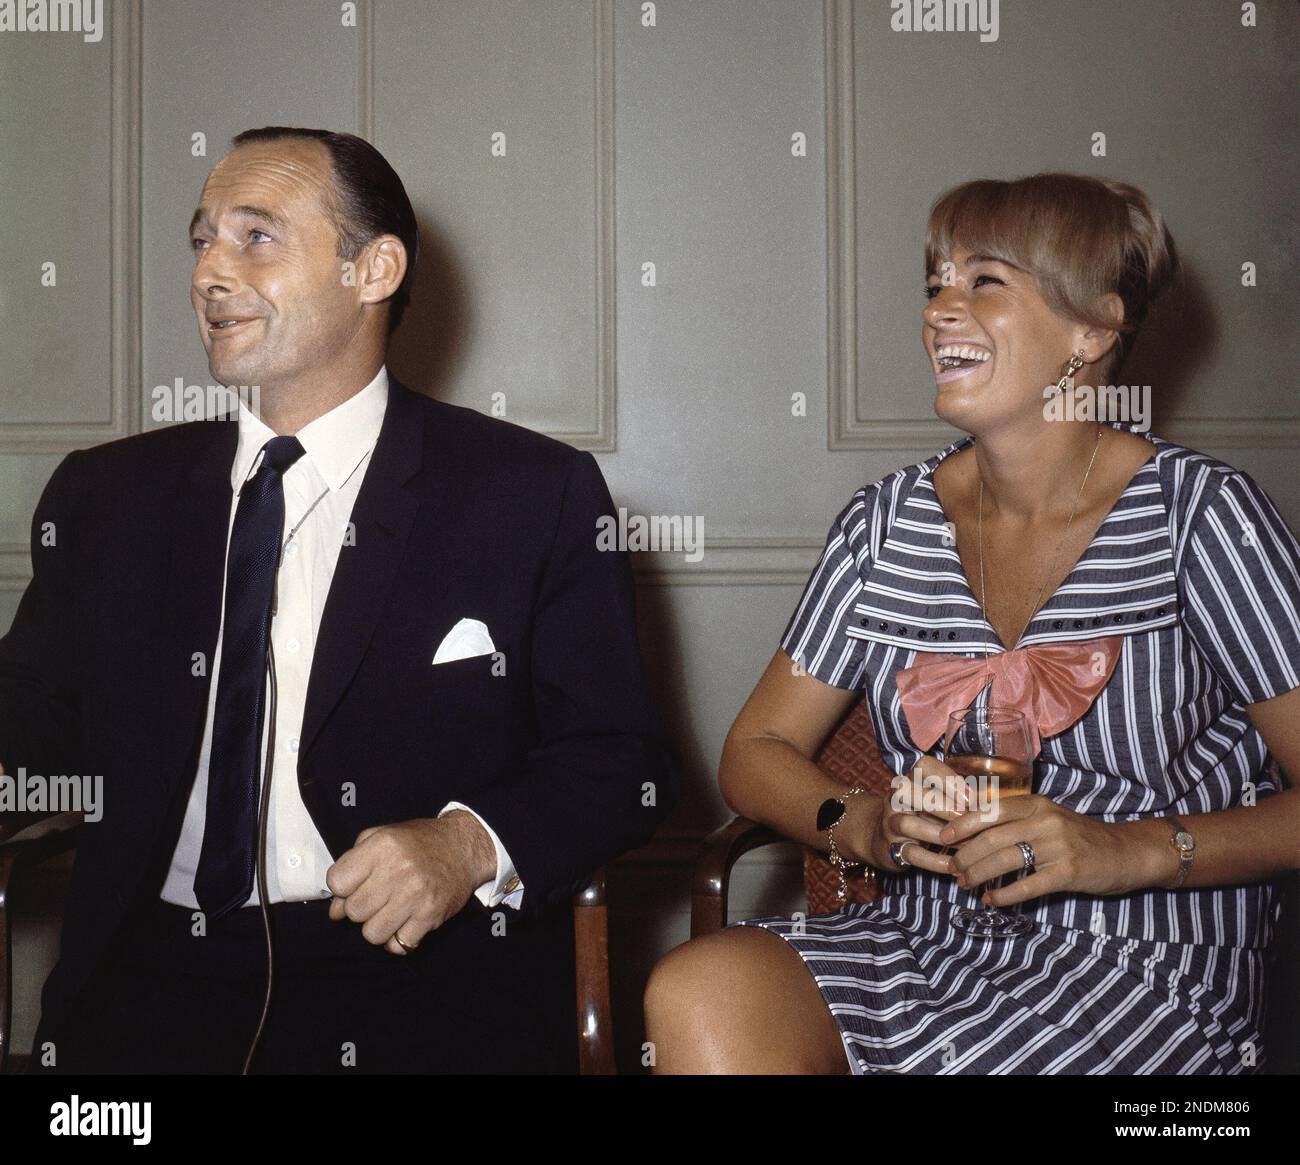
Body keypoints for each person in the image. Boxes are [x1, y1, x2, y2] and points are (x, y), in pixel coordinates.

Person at [1, 126, 678, 1074]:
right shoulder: (105, 498)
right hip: (142, 990)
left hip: (412, 990)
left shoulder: (529, 495)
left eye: (256, 237)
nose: (209, 273)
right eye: (202, 240)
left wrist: (467, 843)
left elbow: (622, 761)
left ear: (376, 268)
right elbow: (30, 728)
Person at [644, 173, 1300, 1075]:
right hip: (929, 943)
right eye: (934, 287)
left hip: (1147, 970)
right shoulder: (886, 523)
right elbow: (752, 749)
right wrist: (865, 822)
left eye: (984, 282)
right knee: (697, 991)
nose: (940, 311)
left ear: (1094, 327)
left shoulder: (1203, 518)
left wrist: (1120, 850)